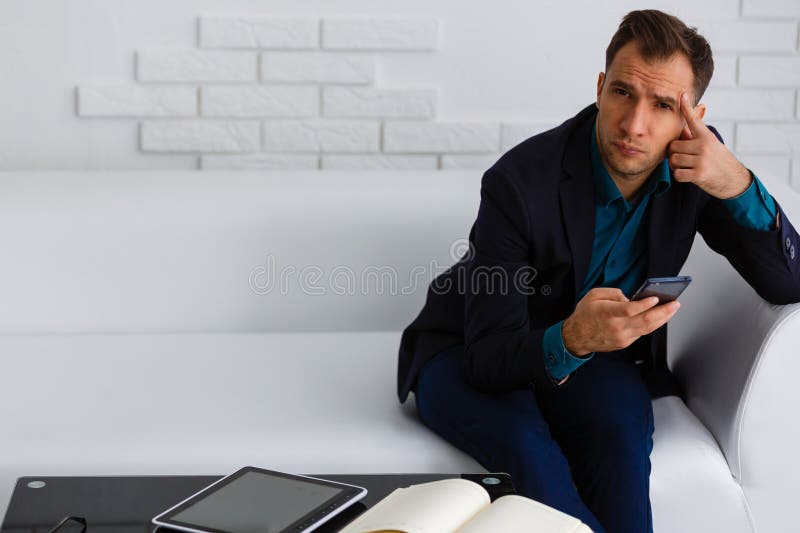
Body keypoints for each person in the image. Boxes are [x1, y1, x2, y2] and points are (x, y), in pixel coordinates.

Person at [396, 9, 800, 533]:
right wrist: (571, 335)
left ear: (690, 118)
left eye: (662, 105)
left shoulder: (697, 166)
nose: (634, 125)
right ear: (600, 87)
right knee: (529, 450)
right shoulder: (519, 182)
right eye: (623, 93)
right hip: (468, 347)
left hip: (598, 357)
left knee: (622, 439)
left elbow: (789, 284)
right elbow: (486, 355)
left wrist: (739, 184)